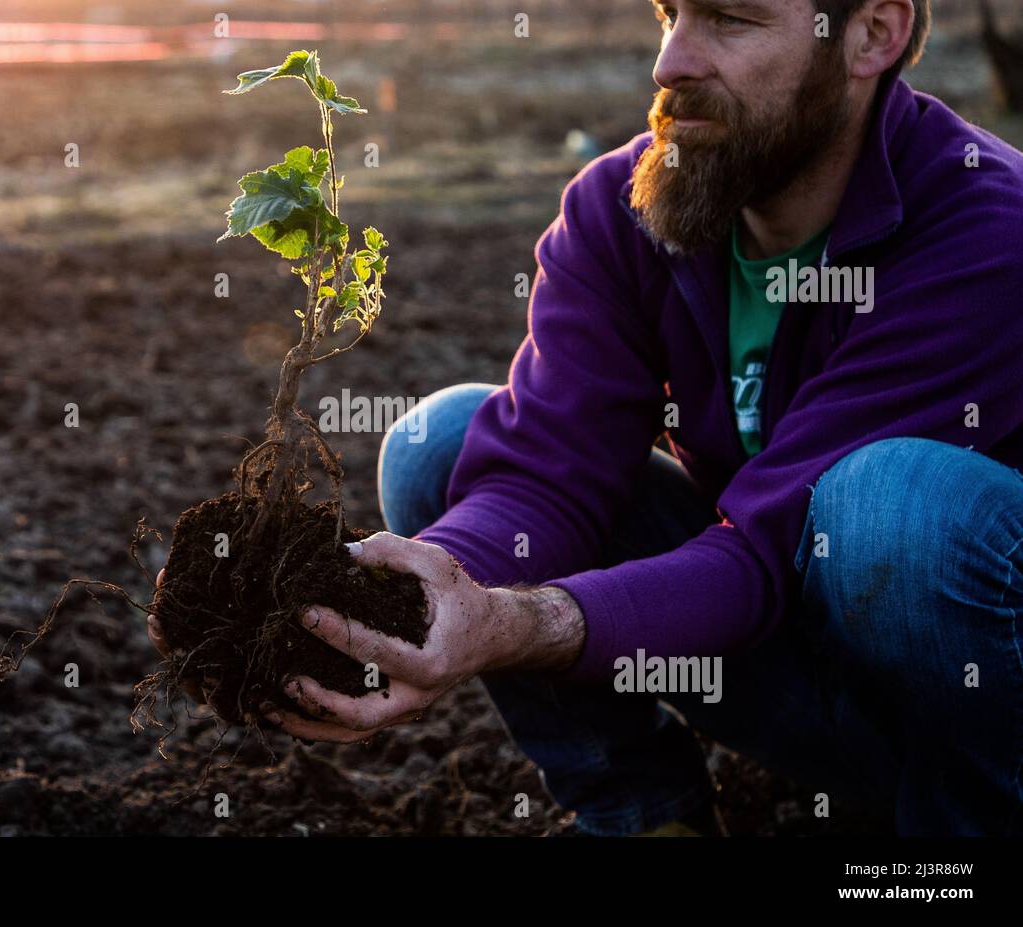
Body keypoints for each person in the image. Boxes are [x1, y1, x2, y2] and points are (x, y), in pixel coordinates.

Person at [152, 0, 1023, 836]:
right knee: (440, 449)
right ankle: (649, 818)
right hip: (803, 681)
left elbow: (763, 548)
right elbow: (544, 477)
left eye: (729, 18)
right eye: (668, 12)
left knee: (895, 508)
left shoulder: (983, 229)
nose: (671, 61)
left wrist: (515, 624)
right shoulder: (624, 210)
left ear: (873, 32)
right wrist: (403, 601)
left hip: (975, 702)